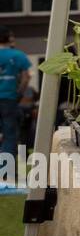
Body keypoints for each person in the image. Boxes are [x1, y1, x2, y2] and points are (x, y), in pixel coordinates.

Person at [0, 26, 33, 161]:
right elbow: (26, 77)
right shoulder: (18, 55)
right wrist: (19, 93)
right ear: (9, 38)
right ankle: (5, 170)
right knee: (10, 134)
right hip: (9, 99)